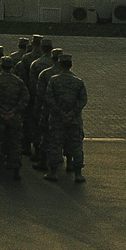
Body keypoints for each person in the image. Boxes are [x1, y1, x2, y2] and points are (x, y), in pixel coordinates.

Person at [46, 54, 87, 183]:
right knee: (76, 146)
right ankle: (78, 173)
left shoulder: (53, 80)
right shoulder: (78, 81)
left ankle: (53, 172)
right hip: (74, 120)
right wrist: (72, 114)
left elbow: (49, 98)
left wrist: (60, 113)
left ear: (59, 65)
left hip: (57, 119)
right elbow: (83, 100)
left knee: (55, 144)